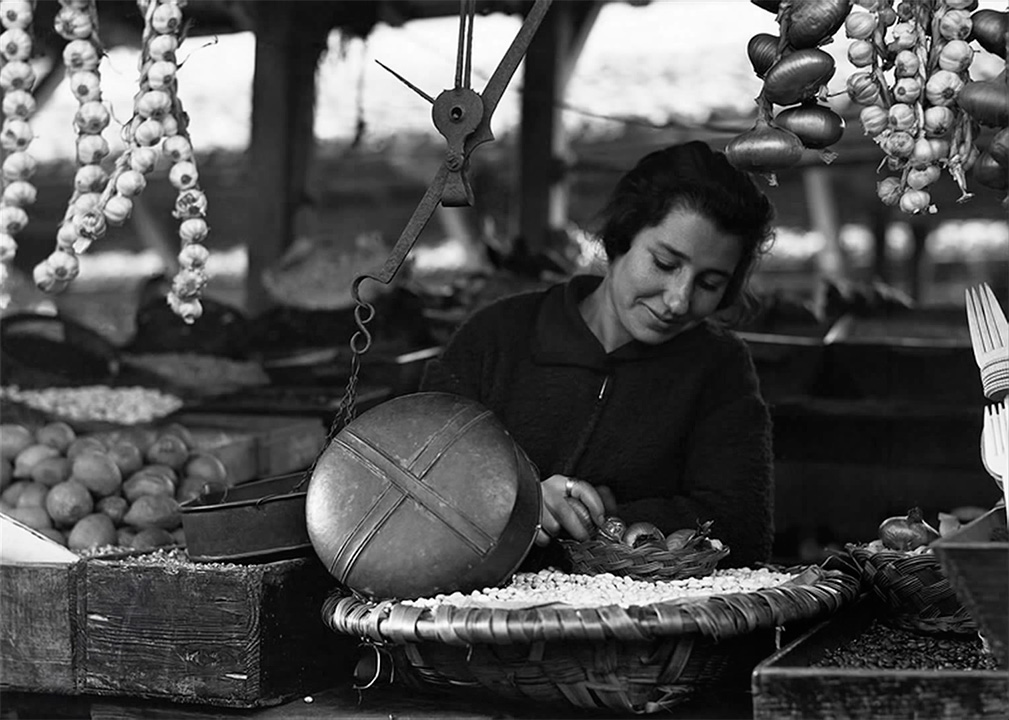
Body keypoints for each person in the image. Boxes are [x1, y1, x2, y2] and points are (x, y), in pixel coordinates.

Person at [419, 141, 776, 568]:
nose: (679, 301)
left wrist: (608, 516)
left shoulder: (718, 368)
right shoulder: (496, 338)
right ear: (620, 239)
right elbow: (416, 487)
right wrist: (521, 500)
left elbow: (743, 527)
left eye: (710, 283)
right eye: (664, 263)